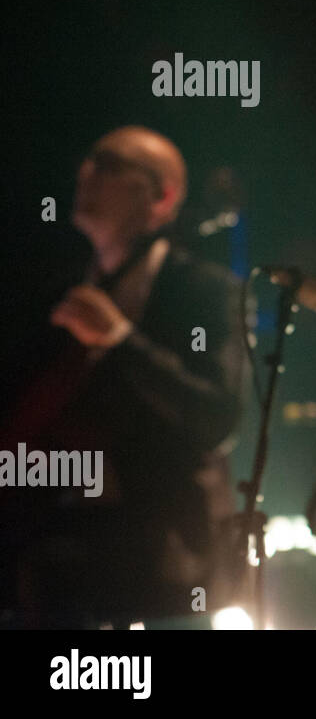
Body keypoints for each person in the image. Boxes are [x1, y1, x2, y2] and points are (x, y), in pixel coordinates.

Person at [0, 126, 245, 628]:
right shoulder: (56, 292)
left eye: (109, 164)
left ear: (162, 196)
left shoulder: (204, 291)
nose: (87, 173)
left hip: (163, 568)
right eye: (88, 162)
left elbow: (216, 419)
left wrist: (118, 340)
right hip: (58, 562)